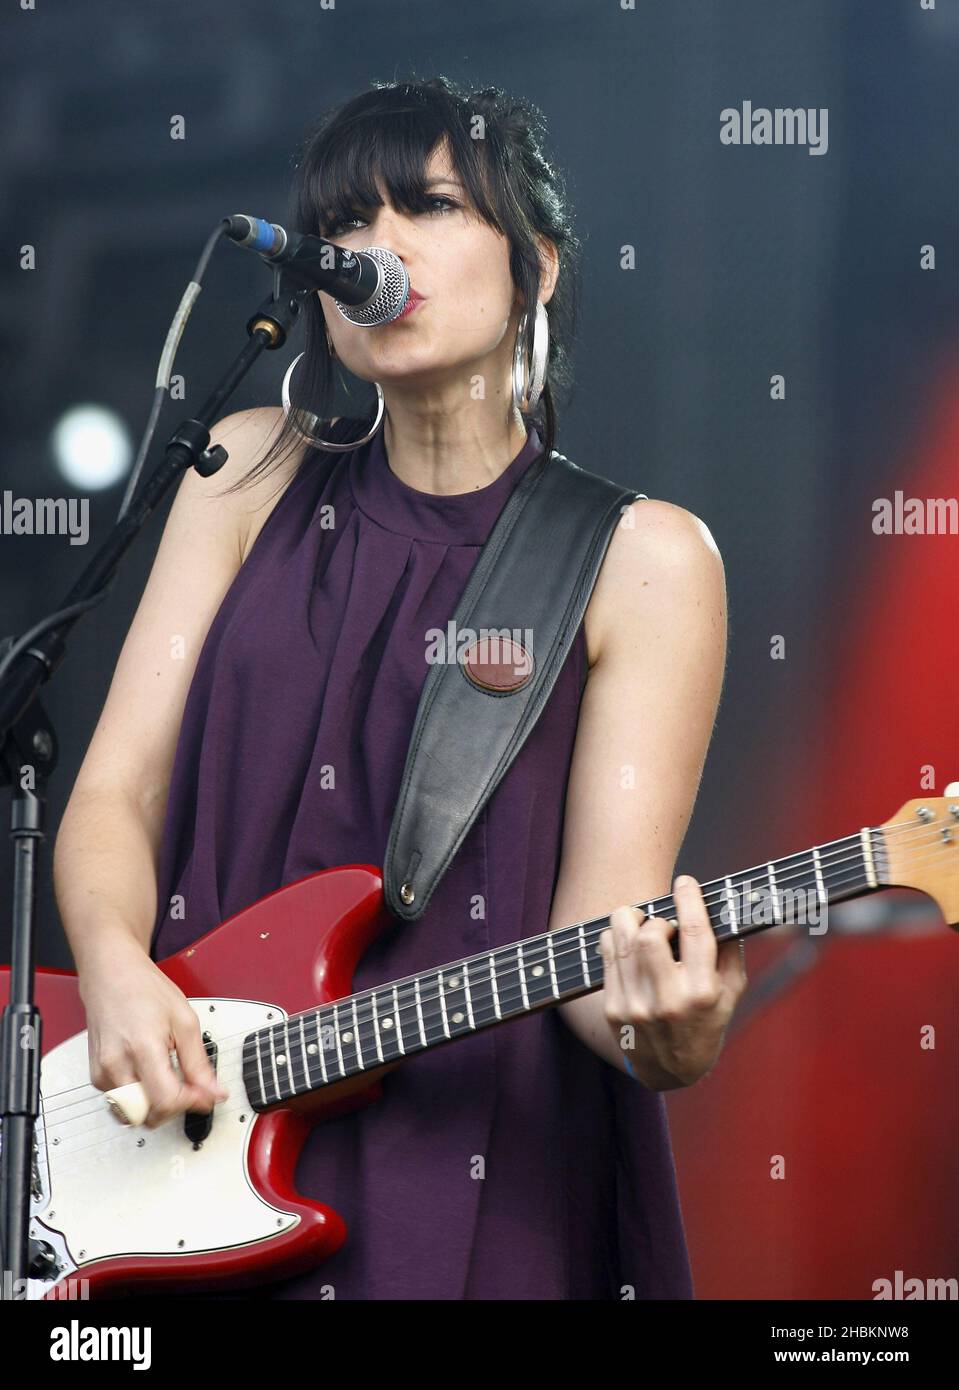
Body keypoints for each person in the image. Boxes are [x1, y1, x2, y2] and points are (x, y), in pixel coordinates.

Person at [53, 75, 744, 1300]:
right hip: (181, 1143)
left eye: (423, 206)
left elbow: (604, 939)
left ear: (534, 264)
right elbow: (114, 790)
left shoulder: (641, 561)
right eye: (347, 224)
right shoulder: (243, 474)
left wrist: (665, 1029)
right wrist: (114, 964)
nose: (374, 249)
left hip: (473, 1171)